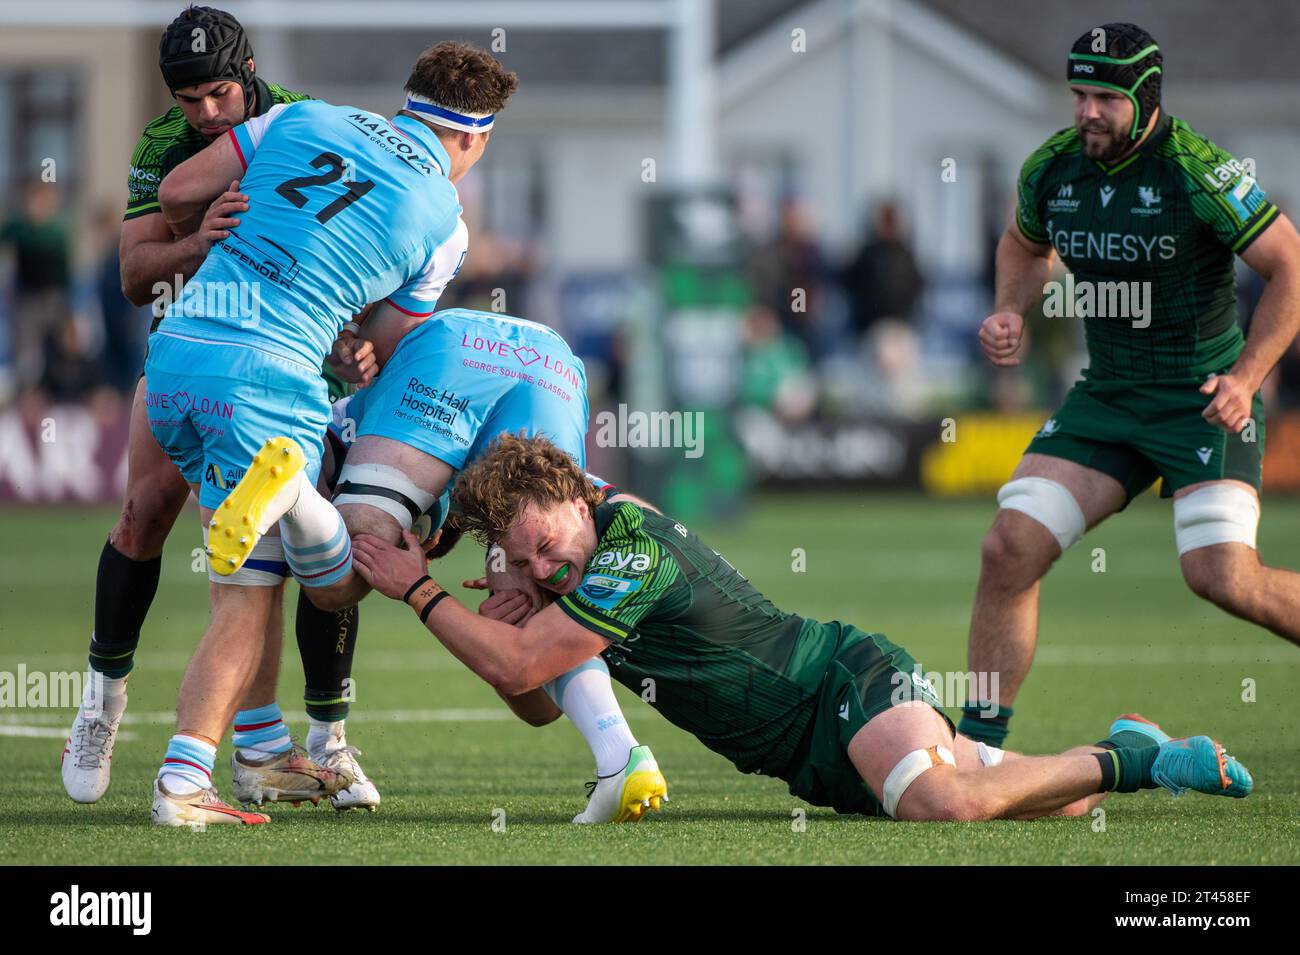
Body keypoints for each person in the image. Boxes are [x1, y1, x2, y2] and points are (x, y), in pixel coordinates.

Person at [347, 432, 1253, 821]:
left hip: (838, 681)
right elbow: (538, 704)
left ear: (571, 493)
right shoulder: (579, 559)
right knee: (1048, 800)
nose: (547, 568)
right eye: (530, 562)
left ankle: (1145, 759)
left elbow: (515, 670)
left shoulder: (627, 551)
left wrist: (421, 592)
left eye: (546, 545)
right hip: (808, 756)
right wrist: (518, 603)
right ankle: (1119, 747)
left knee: (944, 805)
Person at [143, 39, 515, 826]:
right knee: (332, 578)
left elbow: (176, 192)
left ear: (409, 99)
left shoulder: (300, 116)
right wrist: (349, 339)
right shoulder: (445, 222)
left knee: (249, 577)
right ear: (475, 140)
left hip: (177, 358)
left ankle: (261, 752)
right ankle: (181, 786)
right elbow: (376, 347)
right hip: (268, 381)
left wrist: (213, 226)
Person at [61, 4, 385, 813]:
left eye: (217, 95)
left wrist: (355, 342)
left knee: (283, 552)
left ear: (248, 77)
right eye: (188, 101)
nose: (205, 115)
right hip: (190, 349)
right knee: (143, 515)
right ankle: (102, 702)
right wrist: (200, 238)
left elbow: (343, 259)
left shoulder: (302, 123)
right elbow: (138, 278)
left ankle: (305, 742)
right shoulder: (162, 149)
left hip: (282, 364)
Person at [967, 22, 1300, 750]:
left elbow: (1291, 266)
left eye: (1104, 99)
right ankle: (980, 749)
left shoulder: (1198, 170)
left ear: (1145, 100)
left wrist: (1247, 379)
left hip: (1203, 398)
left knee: (1223, 577)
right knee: (1009, 545)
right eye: (1079, 94)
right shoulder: (1053, 168)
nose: (1086, 111)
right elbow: (1025, 243)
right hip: (1109, 397)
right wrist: (1008, 310)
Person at [295, 305, 669, 823]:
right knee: (374, 550)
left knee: (353, 551)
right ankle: (619, 754)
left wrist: (427, 592)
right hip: (546, 356)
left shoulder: (365, 423)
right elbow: (530, 694)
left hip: (480, 352)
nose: (532, 570)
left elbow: (526, 688)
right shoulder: (364, 421)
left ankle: (323, 744)